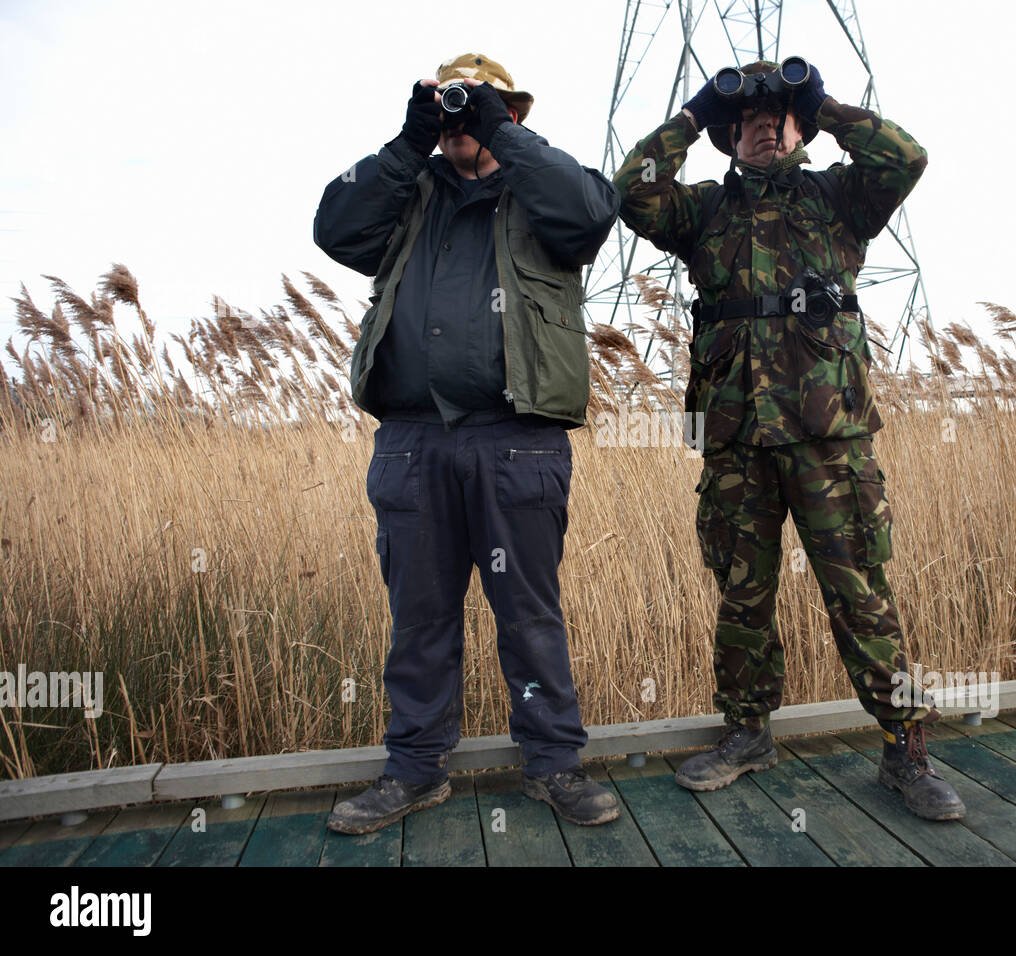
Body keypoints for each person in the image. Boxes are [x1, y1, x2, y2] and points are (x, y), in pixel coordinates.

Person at [613, 60, 965, 820]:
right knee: (742, 596)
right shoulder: (704, 211)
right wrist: (697, 109)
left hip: (829, 438)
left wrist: (827, 106)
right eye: (749, 117)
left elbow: (905, 157)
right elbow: (631, 190)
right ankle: (746, 732)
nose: (766, 124)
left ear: (800, 128)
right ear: (728, 136)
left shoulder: (839, 198)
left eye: (781, 114)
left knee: (861, 592)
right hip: (736, 439)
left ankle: (906, 746)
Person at [313, 53, 621, 832]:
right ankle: (415, 770)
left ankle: (555, 764)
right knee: (419, 619)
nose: (463, 125)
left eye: (480, 111)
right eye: (452, 111)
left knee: (529, 616)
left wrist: (499, 129)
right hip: (412, 443)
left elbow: (589, 214)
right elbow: (334, 228)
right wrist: (410, 138)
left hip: (517, 443)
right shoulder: (406, 195)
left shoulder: (542, 190)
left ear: (512, 114)